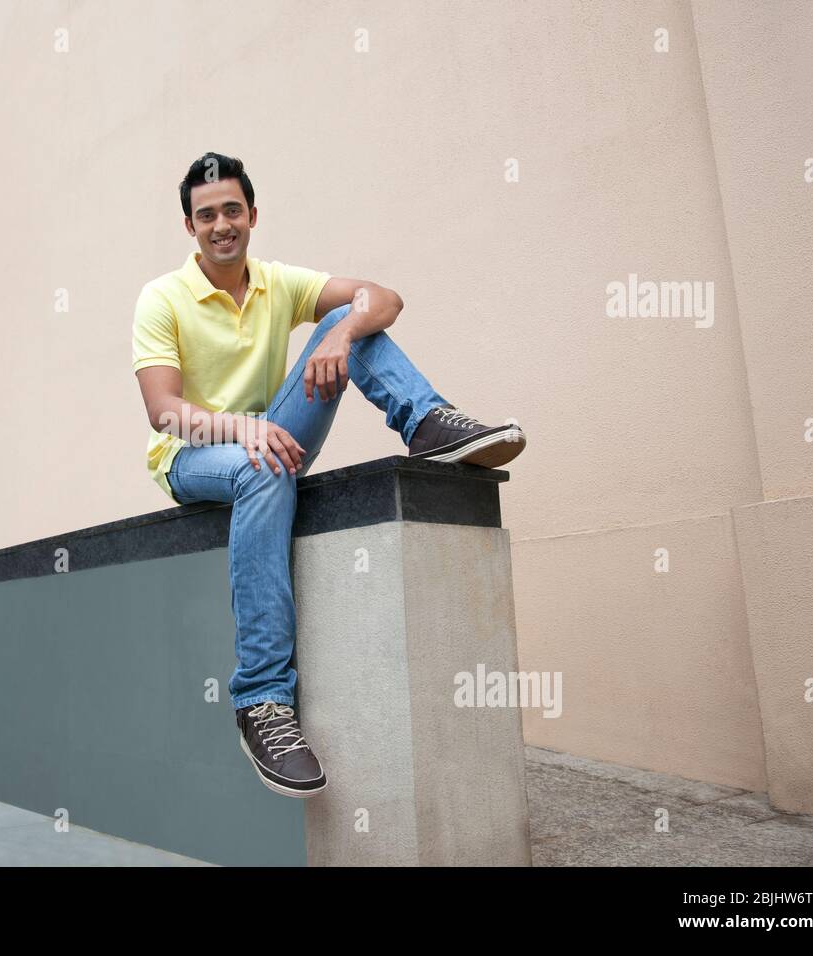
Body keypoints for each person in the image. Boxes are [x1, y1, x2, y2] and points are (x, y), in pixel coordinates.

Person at [131, 152, 525, 798]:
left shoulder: (276, 283)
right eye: (207, 215)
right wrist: (242, 428)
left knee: (353, 316)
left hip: (271, 438)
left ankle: (426, 422)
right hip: (195, 454)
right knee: (260, 469)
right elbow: (164, 411)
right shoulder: (163, 298)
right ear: (189, 227)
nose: (221, 224)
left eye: (232, 210)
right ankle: (262, 700)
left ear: (252, 215)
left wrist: (341, 337)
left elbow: (386, 298)